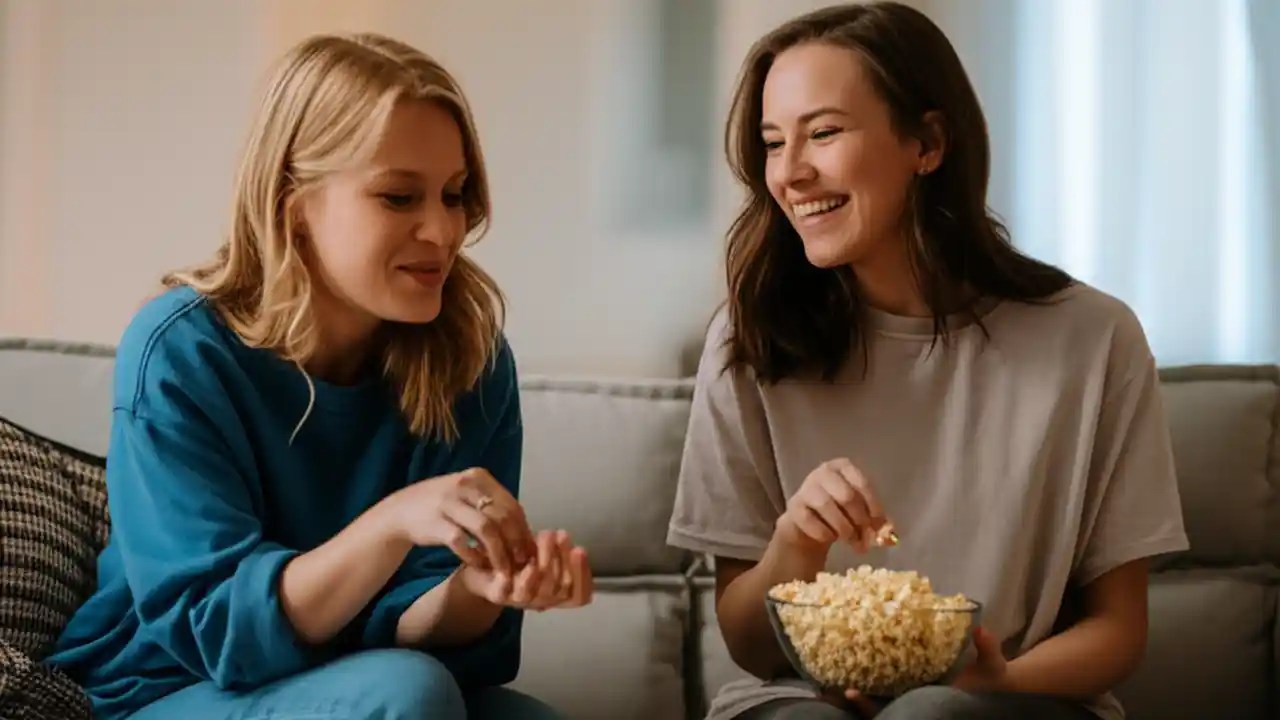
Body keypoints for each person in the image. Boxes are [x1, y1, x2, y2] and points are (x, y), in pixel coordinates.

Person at [44, 32, 591, 720]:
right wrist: (392, 524)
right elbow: (219, 630)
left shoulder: (470, 358)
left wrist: (481, 588)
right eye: (398, 197)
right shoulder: (180, 351)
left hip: (368, 678)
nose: (443, 230)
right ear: (295, 204)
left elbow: (421, 631)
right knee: (406, 695)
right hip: (170, 688)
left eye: (453, 194)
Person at [667, 3, 1188, 720]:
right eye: (772, 142)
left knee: (930, 715)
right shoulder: (747, 342)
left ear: (928, 142)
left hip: (1014, 700)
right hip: (795, 700)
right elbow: (751, 647)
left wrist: (990, 682)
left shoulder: (1094, 341)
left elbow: (1119, 631)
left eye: (823, 132)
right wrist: (796, 544)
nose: (790, 172)